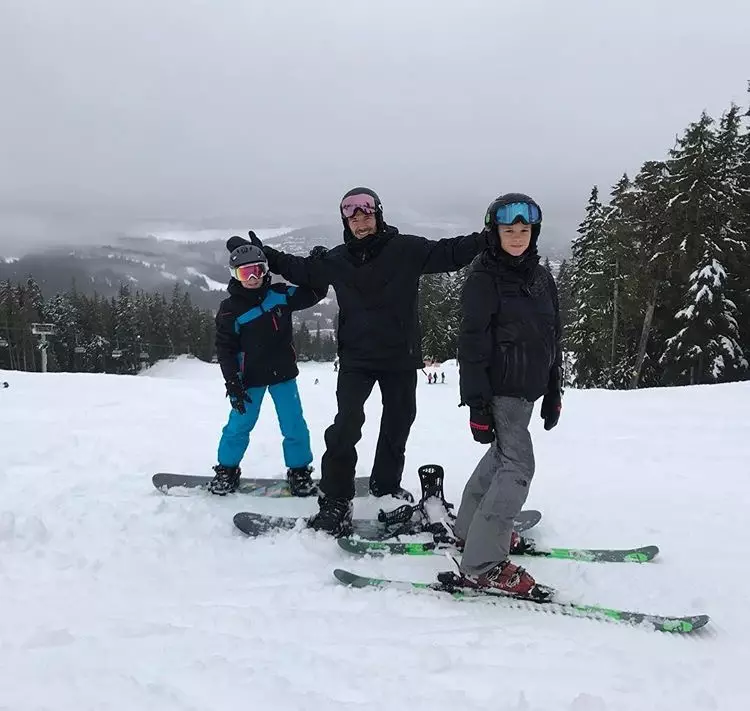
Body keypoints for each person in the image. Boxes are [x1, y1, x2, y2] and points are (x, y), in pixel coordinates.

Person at [252, 187, 488, 535]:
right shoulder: (337, 259)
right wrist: (267, 254)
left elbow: (449, 252)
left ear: (378, 214)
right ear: (346, 221)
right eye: (353, 216)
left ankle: (386, 485)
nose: (360, 222)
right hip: (356, 359)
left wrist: (487, 238)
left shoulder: (406, 249)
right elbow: (301, 269)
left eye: (366, 214)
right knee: (346, 426)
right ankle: (335, 499)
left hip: (400, 357)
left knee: (398, 422)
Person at [451, 193, 562, 595]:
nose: (516, 236)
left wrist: (553, 389)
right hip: (500, 391)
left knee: (501, 458)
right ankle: (482, 563)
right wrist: (477, 404)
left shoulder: (539, 276)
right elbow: (472, 344)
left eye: (524, 229)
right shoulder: (485, 277)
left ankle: (469, 531)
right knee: (518, 467)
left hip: (527, 392)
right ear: (494, 232)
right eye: (508, 229)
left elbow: (552, 337)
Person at [209, 236, 328, 496]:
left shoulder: (281, 295)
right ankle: (226, 469)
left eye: (258, 270)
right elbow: (225, 349)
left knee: (294, 424)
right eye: (245, 272)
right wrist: (232, 381)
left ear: (266, 270)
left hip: (283, 374)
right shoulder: (230, 309)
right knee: (238, 426)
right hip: (248, 380)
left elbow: (318, 291)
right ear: (235, 274)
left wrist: (318, 266)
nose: (252, 278)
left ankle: (299, 470)